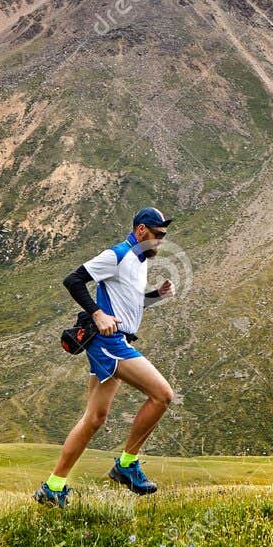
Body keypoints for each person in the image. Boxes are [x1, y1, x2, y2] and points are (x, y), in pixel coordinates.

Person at [34, 207, 177, 507]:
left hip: (115, 339)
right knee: (162, 395)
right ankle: (126, 465)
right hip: (109, 343)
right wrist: (97, 314)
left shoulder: (138, 261)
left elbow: (129, 304)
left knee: (94, 418)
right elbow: (73, 280)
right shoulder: (117, 255)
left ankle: (53, 487)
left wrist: (155, 296)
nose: (160, 242)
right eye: (157, 236)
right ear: (141, 231)